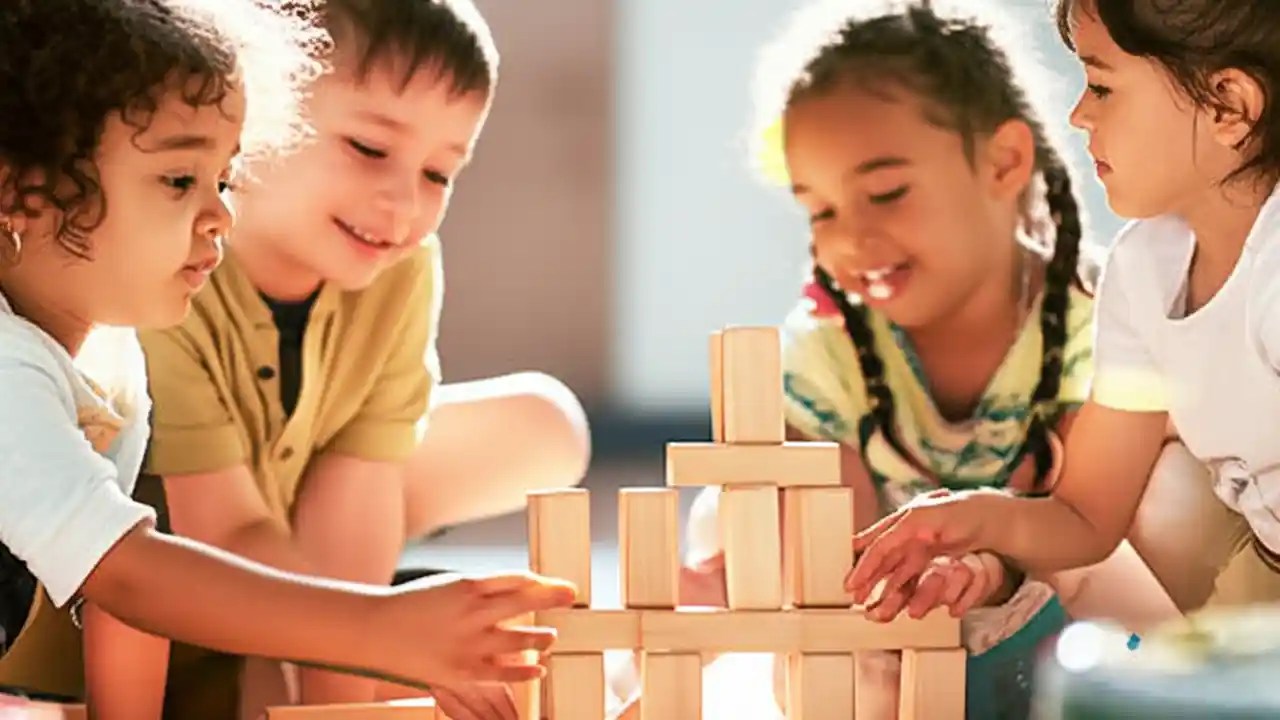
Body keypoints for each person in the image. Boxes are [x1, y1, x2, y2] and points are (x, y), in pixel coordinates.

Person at [620, 1, 1219, 718]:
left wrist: (989, 570)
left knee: (1163, 491)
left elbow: (1077, 510)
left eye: (885, 193)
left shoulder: (1102, 316)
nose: (851, 238)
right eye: (822, 211)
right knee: (741, 505)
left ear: (1003, 163)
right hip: (885, 643)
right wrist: (755, 577)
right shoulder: (830, 350)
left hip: (1053, 641)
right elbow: (830, 541)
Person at [0, 1, 573, 718]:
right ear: (22, 194)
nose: (220, 216)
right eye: (181, 181)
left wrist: (356, 679)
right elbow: (132, 576)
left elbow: (121, 592)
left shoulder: (114, 349)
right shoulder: (18, 364)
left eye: (225, 180)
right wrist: (383, 632)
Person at [849, 0, 1280, 660]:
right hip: (1262, 578)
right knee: (1150, 512)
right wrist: (967, 516)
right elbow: (1086, 516)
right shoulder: (1145, 269)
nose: (1079, 115)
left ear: (1229, 106)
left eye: (1102, 85)